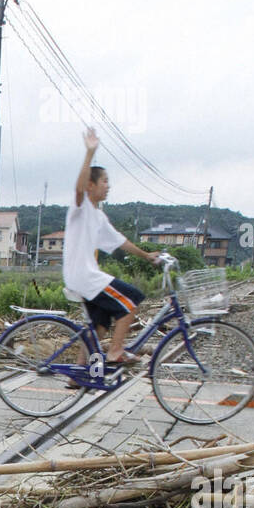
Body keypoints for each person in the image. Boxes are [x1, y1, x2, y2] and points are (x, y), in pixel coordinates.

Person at [63, 128, 161, 367]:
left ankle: (79, 372)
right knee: (132, 299)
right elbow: (78, 189)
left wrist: (147, 255)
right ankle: (116, 351)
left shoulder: (98, 217)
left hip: (85, 277)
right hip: (84, 276)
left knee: (100, 324)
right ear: (91, 185)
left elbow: (121, 242)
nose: (108, 186)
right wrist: (90, 153)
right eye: (104, 181)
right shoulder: (81, 207)